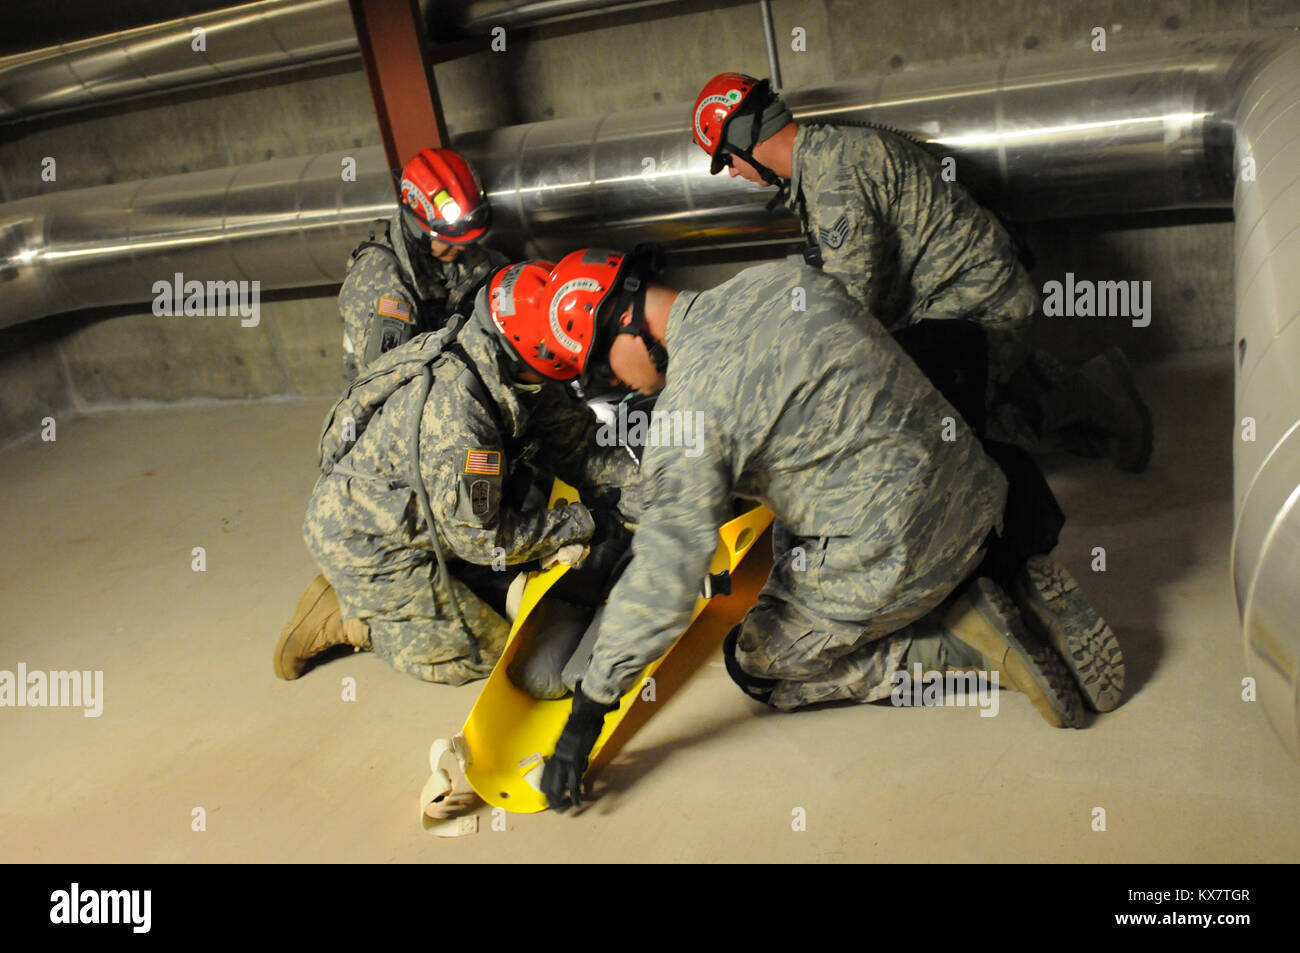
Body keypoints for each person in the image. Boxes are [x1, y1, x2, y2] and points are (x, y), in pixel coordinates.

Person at [529, 250, 1125, 811]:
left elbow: (665, 581)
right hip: (988, 498)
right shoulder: (780, 280)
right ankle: (1008, 578)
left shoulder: (686, 417)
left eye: (606, 375)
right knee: (793, 516)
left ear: (621, 328)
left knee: (753, 664)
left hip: (906, 552)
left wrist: (588, 713)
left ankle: (964, 643)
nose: (624, 389)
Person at [690, 73, 1154, 472]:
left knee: (939, 426)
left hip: (980, 307)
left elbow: (850, 310)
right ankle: (1086, 393)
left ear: (745, 138)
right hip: (966, 299)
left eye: (726, 159)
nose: (732, 173)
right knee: (984, 406)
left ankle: (1097, 401)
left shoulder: (835, 178)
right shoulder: (827, 159)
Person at [274, 260, 640, 685]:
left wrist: (645, 499)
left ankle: (404, 591)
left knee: (530, 498)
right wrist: (585, 521)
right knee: (485, 651)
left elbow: (578, 447)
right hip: (370, 540)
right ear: (535, 349)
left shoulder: (509, 353)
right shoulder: (460, 420)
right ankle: (349, 615)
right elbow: (484, 540)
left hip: (423, 509)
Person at [339, 147, 510, 379]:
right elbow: (385, 381)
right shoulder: (380, 282)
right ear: (418, 227)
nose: (462, 247)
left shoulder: (474, 260)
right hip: (408, 402)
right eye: (448, 240)